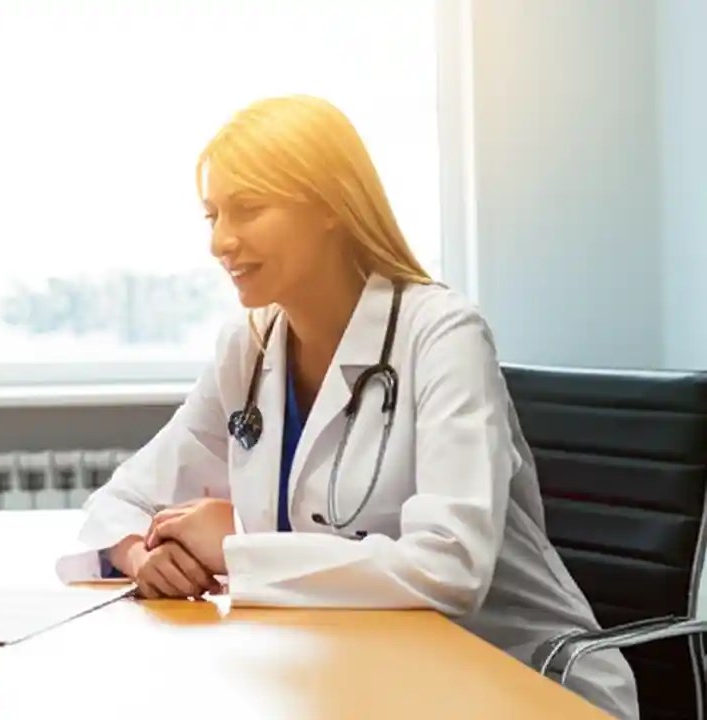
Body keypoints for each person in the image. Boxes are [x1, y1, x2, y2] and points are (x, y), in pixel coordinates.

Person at [55, 96, 638, 719]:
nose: (221, 241)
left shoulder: (441, 335)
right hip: (354, 674)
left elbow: (450, 567)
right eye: (213, 214)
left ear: (331, 205)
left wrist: (234, 548)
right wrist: (144, 556)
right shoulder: (248, 348)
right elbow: (122, 501)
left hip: (517, 677)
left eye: (249, 209)